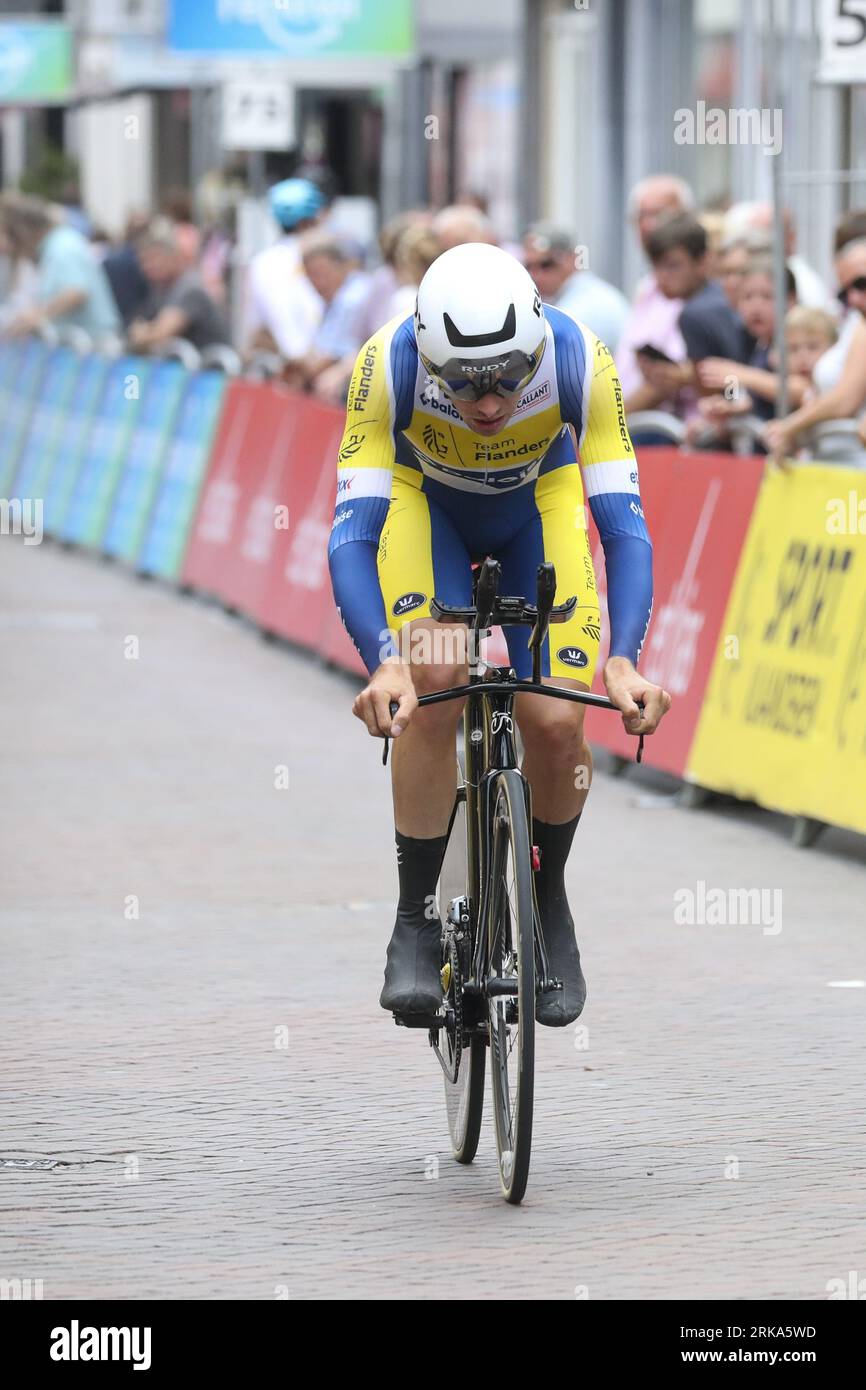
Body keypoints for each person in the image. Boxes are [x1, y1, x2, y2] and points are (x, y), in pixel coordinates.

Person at [327, 243, 670, 1023]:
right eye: (463, 383)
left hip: (535, 511)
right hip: (428, 509)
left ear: (538, 344)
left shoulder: (583, 357)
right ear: (428, 354)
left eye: (511, 377)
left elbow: (623, 526)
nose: (488, 403)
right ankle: (413, 918)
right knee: (436, 684)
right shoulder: (387, 364)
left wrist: (622, 660)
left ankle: (548, 904)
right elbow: (353, 534)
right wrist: (384, 663)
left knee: (553, 717)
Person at [766, 240, 866, 458]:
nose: (854, 299)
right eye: (844, 292)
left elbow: (845, 400)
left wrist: (789, 427)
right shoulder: (859, 322)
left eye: (862, 284)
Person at [641, 213, 745, 406]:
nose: (662, 276)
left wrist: (684, 377)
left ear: (703, 261)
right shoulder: (716, 299)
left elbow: (718, 386)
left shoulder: (693, 315)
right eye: (656, 266)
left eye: (673, 266)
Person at [0, 192, 120, 339]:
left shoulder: (62, 247)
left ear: (22, 233)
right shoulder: (55, 246)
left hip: (95, 348)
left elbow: (77, 291)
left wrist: (38, 315)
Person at [242, 177, 326, 360]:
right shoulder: (325, 256)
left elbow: (254, 326)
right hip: (321, 363)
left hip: (281, 365)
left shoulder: (260, 263)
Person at [522, 222, 629, 352]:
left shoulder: (579, 308)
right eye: (529, 266)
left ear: (572, 259)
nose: (536, 275)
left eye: (546, 265)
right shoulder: (587, 293)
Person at [128, 217, 228, 353]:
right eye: (144, 262)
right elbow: (138, 324)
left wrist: (145, 333)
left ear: (174, 256)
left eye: (154, 258)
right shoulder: (159, 290)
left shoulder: (190, 287)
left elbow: (159, 335)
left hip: (212, 369)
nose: (148, 267)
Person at [298, 236, 370, 403]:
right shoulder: (336, 296)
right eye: (310, 277)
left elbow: (336, 353)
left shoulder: (353, 296)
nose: (317, 283)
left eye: (320, 274)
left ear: (341, 267)